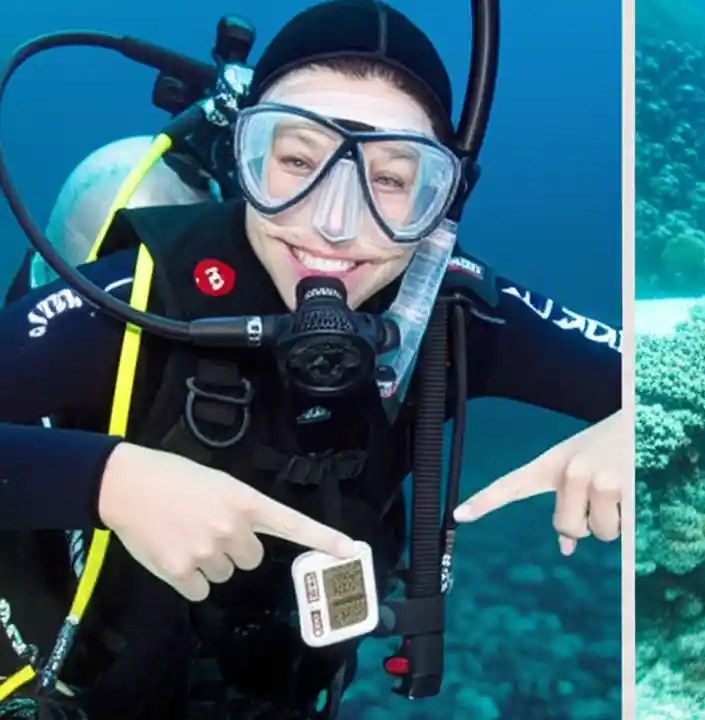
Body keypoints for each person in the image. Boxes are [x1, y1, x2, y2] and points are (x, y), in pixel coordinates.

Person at [0, 1, 623, 718]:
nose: (334, 222)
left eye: (391, 180)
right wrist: (108, 480)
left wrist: (634, 425)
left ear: (441, 198)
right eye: (296, 160)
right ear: (244, 157)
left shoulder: (451, 312)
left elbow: (647, 372)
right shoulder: (144, 293)